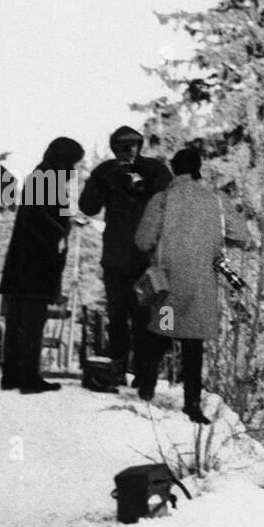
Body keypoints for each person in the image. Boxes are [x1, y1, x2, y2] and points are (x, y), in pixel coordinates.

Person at [134, 147, 227, 423]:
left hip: (169, 283)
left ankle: (147, 389)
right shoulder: (214, 201)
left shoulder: (163, 199)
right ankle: (193, 405)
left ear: (175, 169)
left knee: (162, 334)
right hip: (201, 285)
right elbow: (231, 237)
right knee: (193, 345)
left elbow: (143, 240)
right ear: (198, 168)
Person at [77, 125, 171, 394]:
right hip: (118, 256)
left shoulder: (155, 170)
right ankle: (115, 372)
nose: (128, 151)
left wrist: (143, 188)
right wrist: (111, 182)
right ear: (114, 147)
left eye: (132, 145)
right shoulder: (107, 171)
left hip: (145, 257)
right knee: (118, 315)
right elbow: (88, 206)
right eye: (123, 146)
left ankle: (143, 376)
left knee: (143, 317)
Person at [0, 137, 85, 394]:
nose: (74, 168)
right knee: (32, 320)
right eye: (73, 162)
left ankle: (12, 375)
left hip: (23, 262)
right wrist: (59, 232)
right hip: (35, 262)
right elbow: (36, 216)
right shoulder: (46, 179)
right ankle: (28, 378)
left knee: (17, 320)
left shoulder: (41, 176)